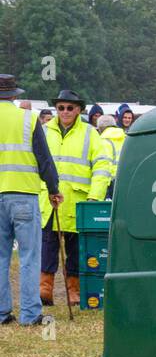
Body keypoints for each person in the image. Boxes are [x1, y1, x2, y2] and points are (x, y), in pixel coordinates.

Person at [39, 89, 112, 306]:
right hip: (49, 202)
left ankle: (74, 291)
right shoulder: (43, 131)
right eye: (61, 108)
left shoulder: (90, 133)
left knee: (76, 250)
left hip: (78, 203)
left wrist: (94, 198)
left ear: (79, 109)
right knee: (47, 248)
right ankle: (45, 290)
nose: (65, 111)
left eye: (70, 108)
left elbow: (102, 166)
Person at [0, 74, 61, 326]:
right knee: (29, 256)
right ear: (14, 95)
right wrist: (53, 187)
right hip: (24, 195)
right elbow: (44, 159)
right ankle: (30, 314)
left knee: (1, 257)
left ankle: (2, 313)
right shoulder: (28, 119)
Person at [97, 114, 125, 183]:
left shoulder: (104, 141)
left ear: (101, 128)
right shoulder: (125, 138)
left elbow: (105, 165)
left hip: (110, 182)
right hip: (124, 178)